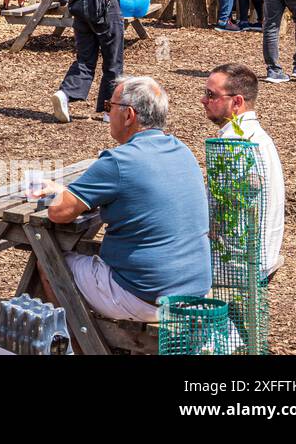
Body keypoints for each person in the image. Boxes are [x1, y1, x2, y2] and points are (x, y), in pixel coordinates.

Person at [41, 76, 211, 322]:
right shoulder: (182, 150)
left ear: (129, 115)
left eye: (110, 106)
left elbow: (58, 213)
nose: (107, 113)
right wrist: (68, 191)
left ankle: (74, 344)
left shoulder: (118, 161)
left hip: (145, 296)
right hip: (196, 290)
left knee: (49, 262)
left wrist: (63, 196)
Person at [202, 63, 285, 281]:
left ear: (236, 101)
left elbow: (213, 215)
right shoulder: (259, 137)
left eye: (211, 95)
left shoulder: (235, 145)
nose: (203, 101)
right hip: (260, 257)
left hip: (235, 267)